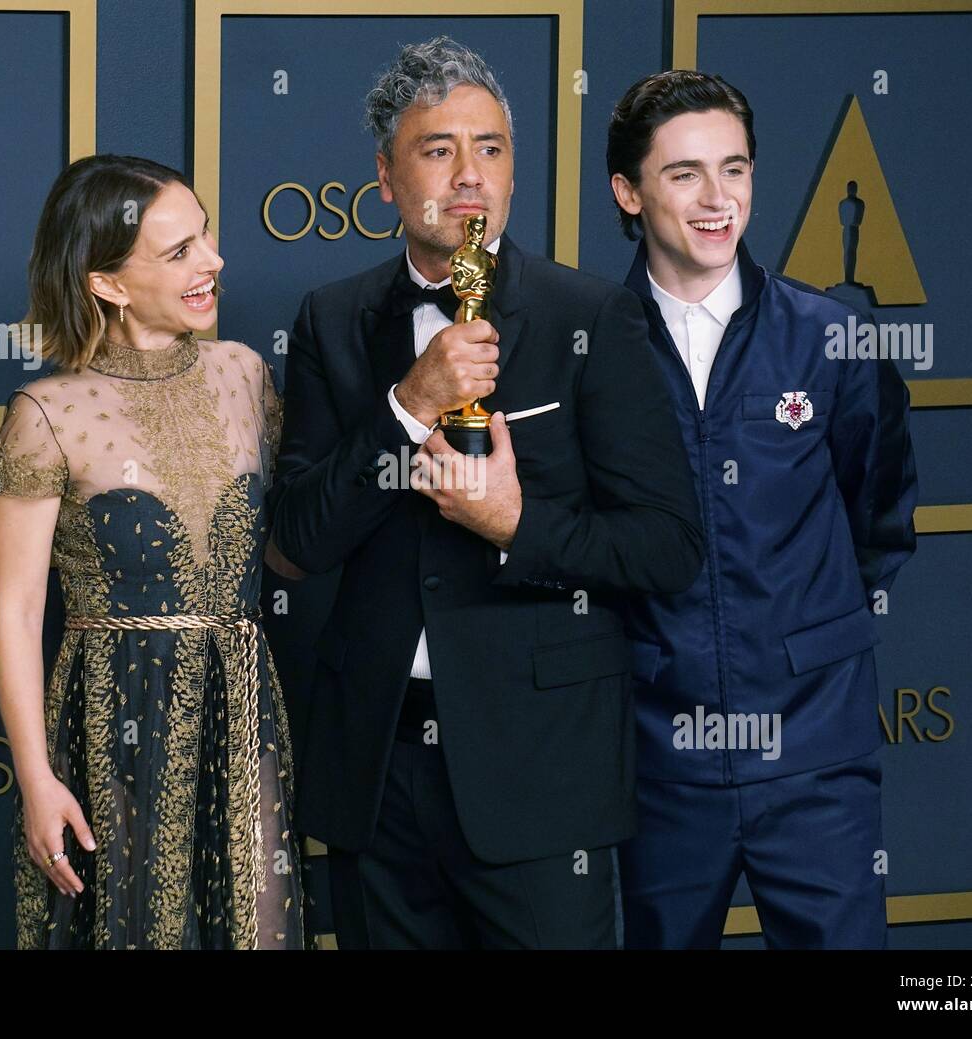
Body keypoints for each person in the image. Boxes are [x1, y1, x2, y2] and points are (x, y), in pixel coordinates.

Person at [267, 37, 703, 949]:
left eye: (492, 149)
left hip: (541, 773)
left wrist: (516, 525)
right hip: (377, 772)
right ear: (384, 177)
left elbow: (666, 545)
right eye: (438, 150)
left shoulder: (593, 316)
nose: (471, 176)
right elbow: (296, 543)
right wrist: (405, 404)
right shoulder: (332, 320)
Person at [607, 70, 919, 949]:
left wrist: (804, 626)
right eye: (685, 174)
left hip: (816, 746)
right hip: (656, 751)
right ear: (628, 192)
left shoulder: (832, 340)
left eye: (735, 169)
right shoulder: (589, 348)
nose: (718, 200)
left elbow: (879, 508)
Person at [0, 155, 306, 949]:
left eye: (204, 236)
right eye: (179, 252)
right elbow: (19, 612)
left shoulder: (245, 375)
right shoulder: (46, 413)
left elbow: (294, 544)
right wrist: (35, 778)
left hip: (242, 710)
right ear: (109, 284)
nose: (213, 262)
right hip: (113, 718)